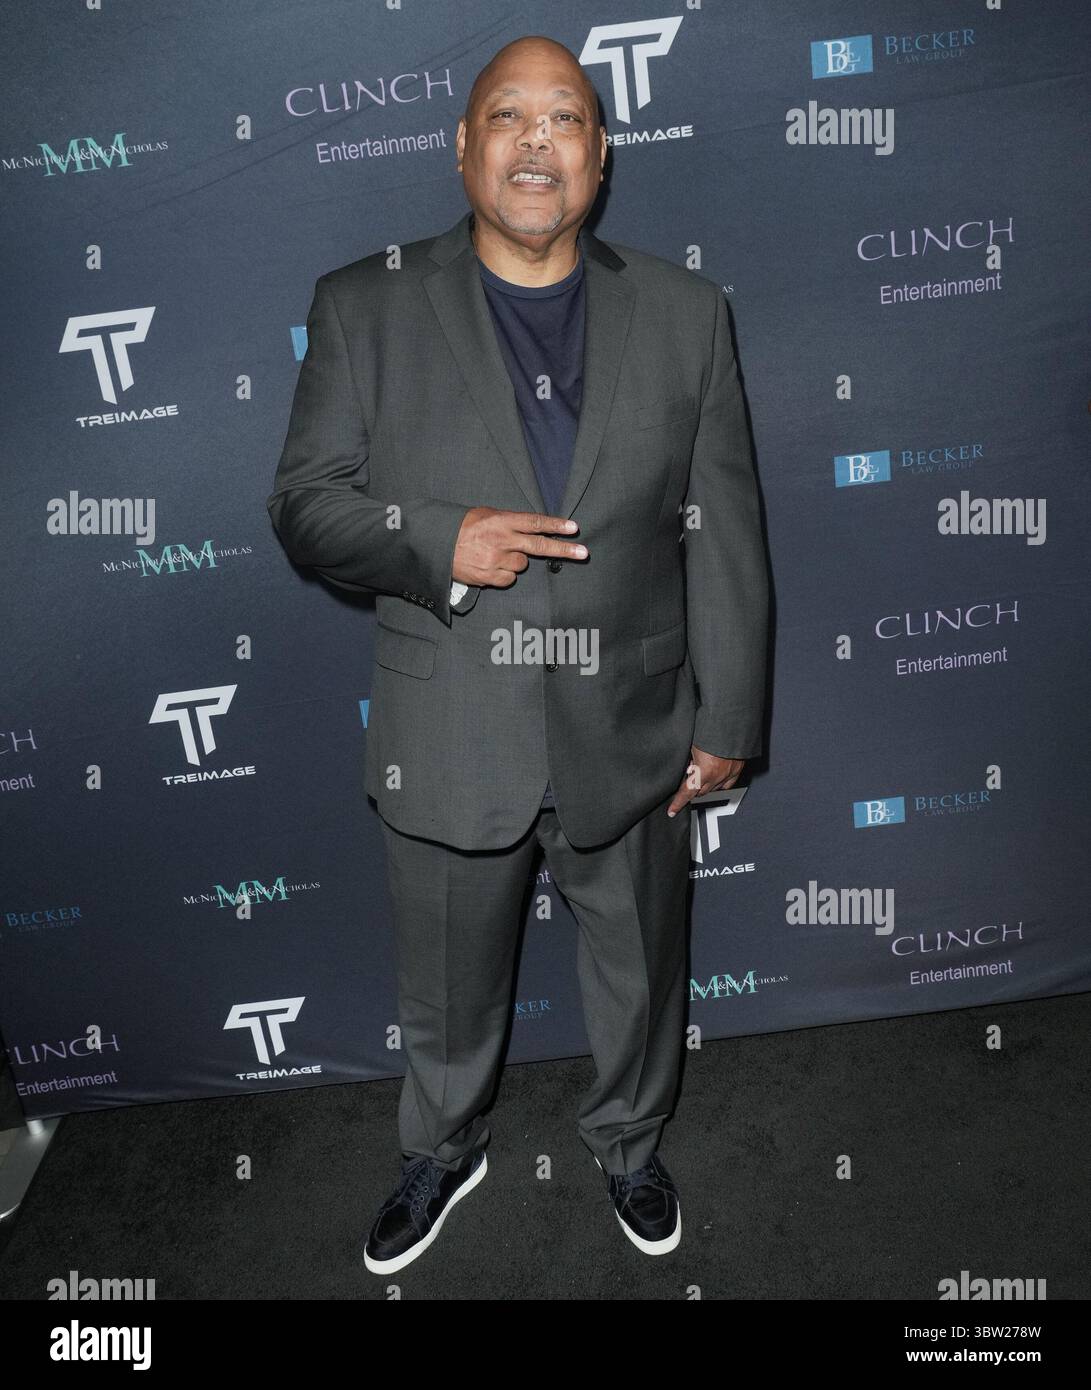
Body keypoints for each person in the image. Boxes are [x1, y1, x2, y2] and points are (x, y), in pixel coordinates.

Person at [266, 34, 768, 1273]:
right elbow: (306, 504)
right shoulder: (361, 302)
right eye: (508, 116)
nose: (536, 140)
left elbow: (727, 533)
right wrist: (439, 537)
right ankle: (441, 1147)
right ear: (462, 147)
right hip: (450, 727)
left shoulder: (688, 312)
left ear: (599, 158)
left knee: (642, 969)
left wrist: (729, 717)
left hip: (636, 722)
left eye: (566, 120)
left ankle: (630, 1140)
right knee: (443, 983)